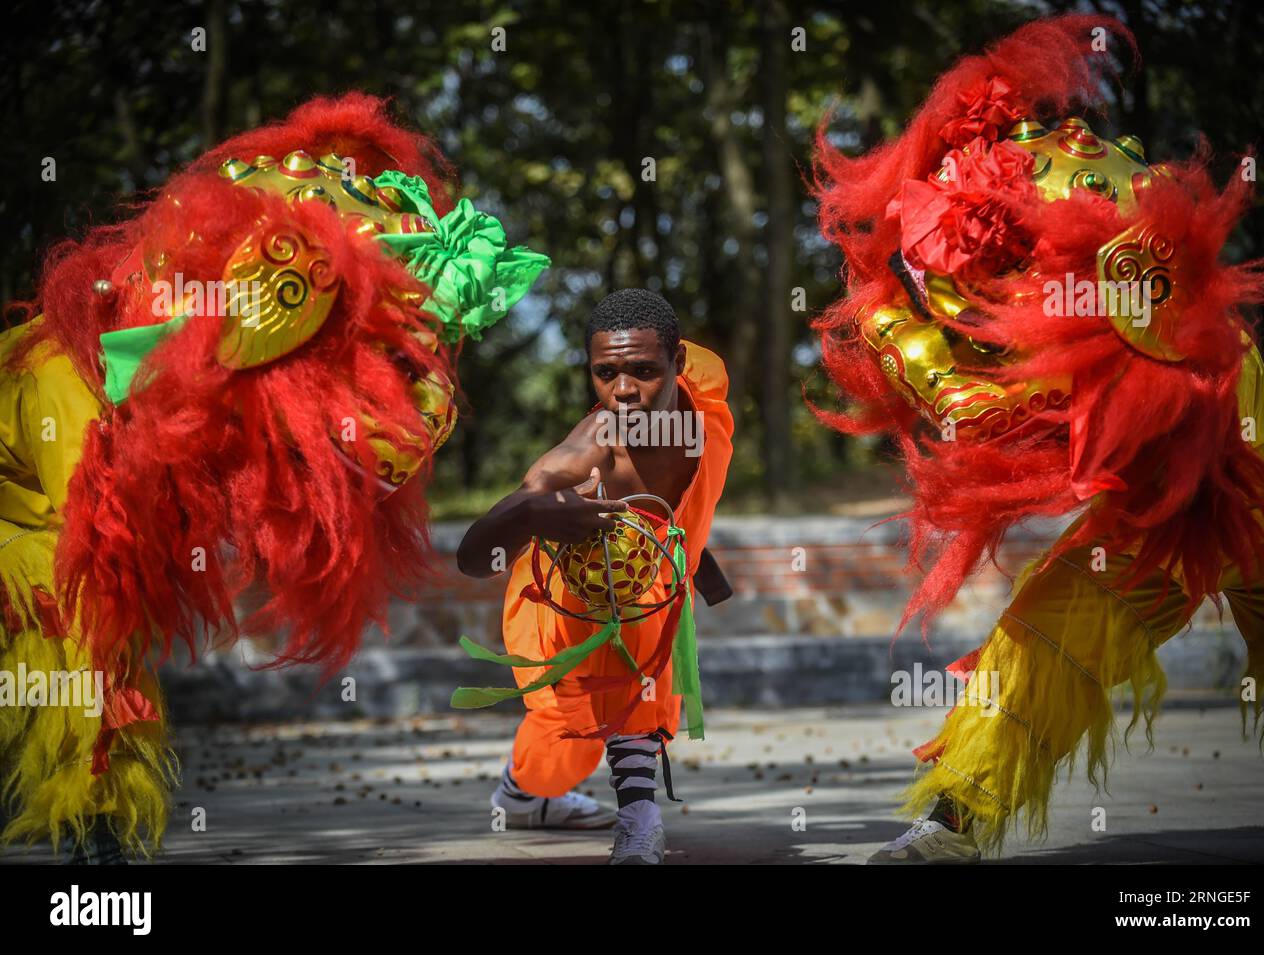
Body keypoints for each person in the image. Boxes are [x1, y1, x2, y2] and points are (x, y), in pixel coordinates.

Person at [0, 93, 545, 861]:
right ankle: (100, 848)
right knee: (83, 611)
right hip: (35, 511)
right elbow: (95, 590)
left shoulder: (187, 393)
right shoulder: (78, 389)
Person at [812, 15, 1264, 862]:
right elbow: (940, 360)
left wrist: (978, 380)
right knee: (1039, 638)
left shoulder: (1110, 216)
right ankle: (959, 821)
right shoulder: (962, 251)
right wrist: (924, 352)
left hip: (1258, 472)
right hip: (1153, 519)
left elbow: (1122, 365)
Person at [456, 288, 733, 864]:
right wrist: (538, 513)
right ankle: (620, 811)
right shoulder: (586, 457)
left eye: (643, 370)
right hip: (571, 592)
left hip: (645, 582)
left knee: (608, 703)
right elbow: (473, 556)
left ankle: (548, 802)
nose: (624, 391)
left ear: (679, 363)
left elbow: (674, 511)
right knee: (569, 723)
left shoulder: (705, 410)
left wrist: (702, 563)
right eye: (605, 374)